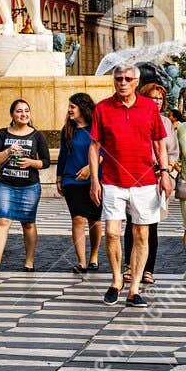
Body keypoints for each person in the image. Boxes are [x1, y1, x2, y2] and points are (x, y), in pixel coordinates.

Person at [90, 64, 172, 307]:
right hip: (113, 181)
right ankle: (117, 280)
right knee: (112, 232)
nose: (122, 82)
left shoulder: (148, 107)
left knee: (141, 233)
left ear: (136, 82)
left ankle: (134, 288)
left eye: (127, 78)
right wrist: (95, 179)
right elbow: (94, 147)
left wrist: (165, 173)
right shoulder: (103, 108)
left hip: (145, 180)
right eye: (118, 78)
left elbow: (159, 143)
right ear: (114, 81)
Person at [121, 81, 180, 289]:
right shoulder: (132, 117)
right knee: (132, 224)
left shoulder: (165, 123)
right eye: (153, 98)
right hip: (133, 178)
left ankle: (148, 269)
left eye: (160, 99)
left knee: (151, 226)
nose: (157, 102)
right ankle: (129, 265)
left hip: (155, 181)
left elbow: (173, 153)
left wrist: (166, 169)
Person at [0, 99, 49, 272]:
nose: (23, 114)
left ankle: (29, 261)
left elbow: (45, 162)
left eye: (26, 111)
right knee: (2, 220)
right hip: (6, 184)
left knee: (28, 223)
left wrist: (31, 162)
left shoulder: (37, 135)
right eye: (19, 111)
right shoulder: (3, 133)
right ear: (12, 115)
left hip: (29, 186)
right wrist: (8, 152)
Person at [56, 92, 103, 274]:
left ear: (83, 108)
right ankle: (81, 261)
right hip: (72, 180)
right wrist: (59, 177)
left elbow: (104, 152)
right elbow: (62, 154)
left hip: (95, 179)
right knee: (77, 218)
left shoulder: (96, 127)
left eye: (72, 107)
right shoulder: (67, 129)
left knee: (94, 219)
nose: (69, 110)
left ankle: (94, 256)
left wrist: (90, 169)